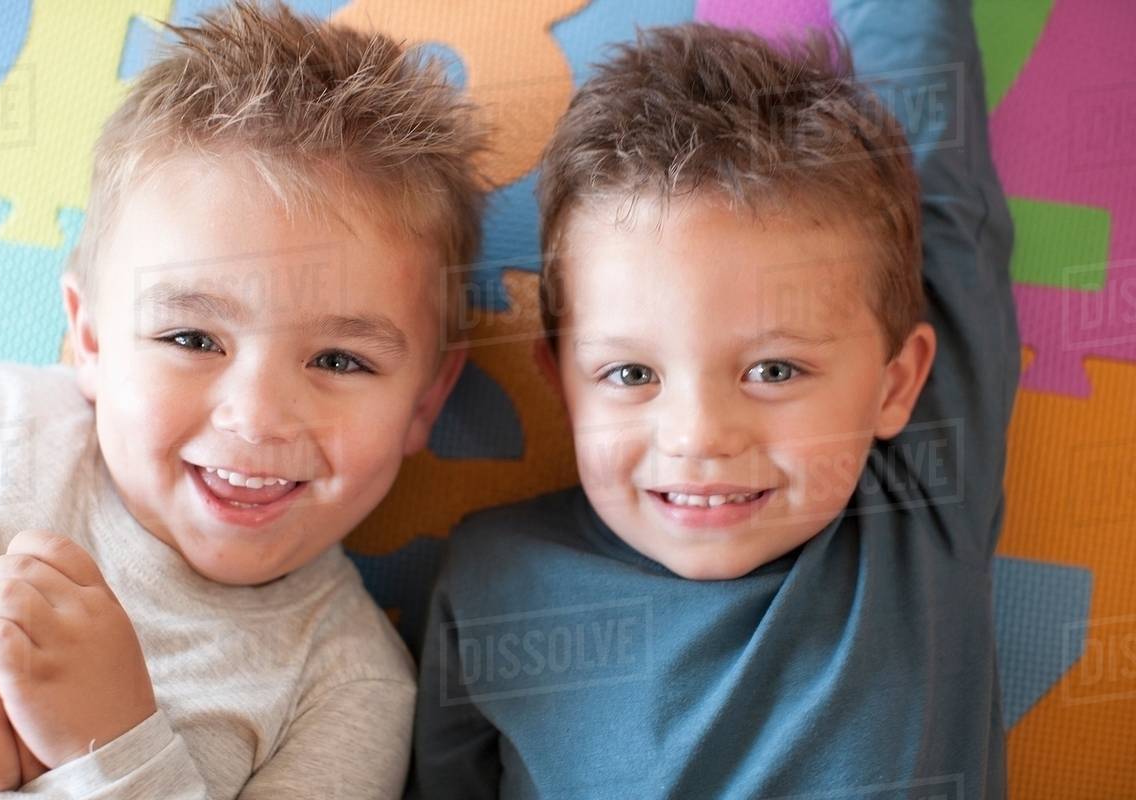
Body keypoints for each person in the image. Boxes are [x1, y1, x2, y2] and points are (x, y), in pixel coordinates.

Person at [411, 1, 1018, 797]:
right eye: (631, 375)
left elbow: (943, 173)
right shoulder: (494, 578)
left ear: (896, 385)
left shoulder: (917, 504)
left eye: (774, 371)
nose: (698, 437)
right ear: (560, 382)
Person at [0, 1, 485, 797]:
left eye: (339, 358)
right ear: (88, 339)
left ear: (427, 402)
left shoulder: (350, 688)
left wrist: (118, 746)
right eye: (193, 340)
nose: (257, 417)